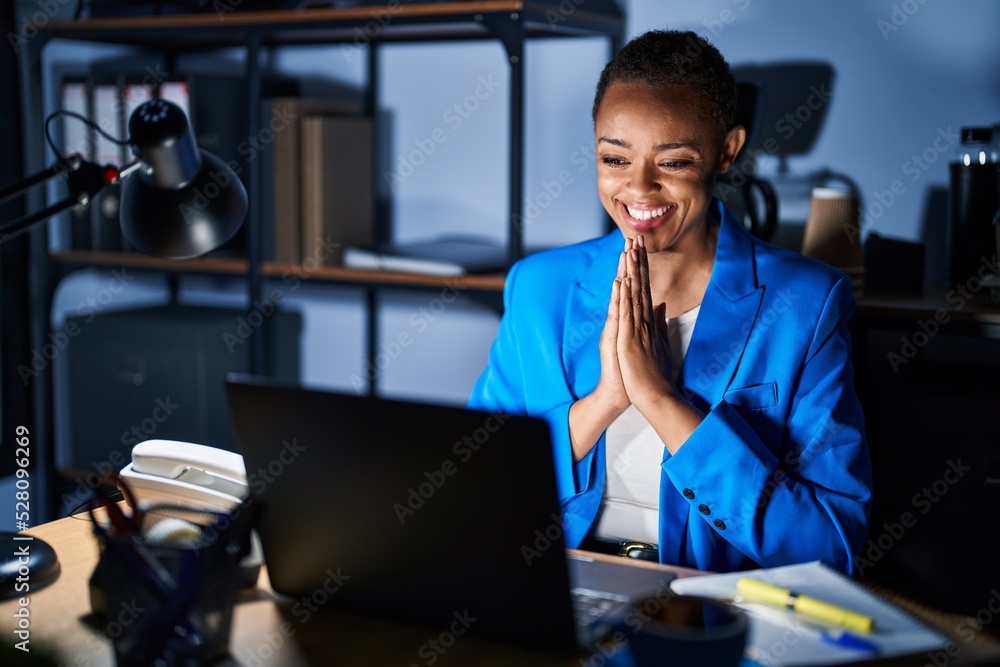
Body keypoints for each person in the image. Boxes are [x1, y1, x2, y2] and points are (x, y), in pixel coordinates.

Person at [467, 29, 872, 575]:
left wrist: (660, 397)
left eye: (674, 163)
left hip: (709, 609)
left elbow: (830, 544)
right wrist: (607, 400)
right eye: (614, 159)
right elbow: (476, 485)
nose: (639, 189)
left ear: (727, 151)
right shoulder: (539, 288)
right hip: (557, 586)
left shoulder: (806, 303)